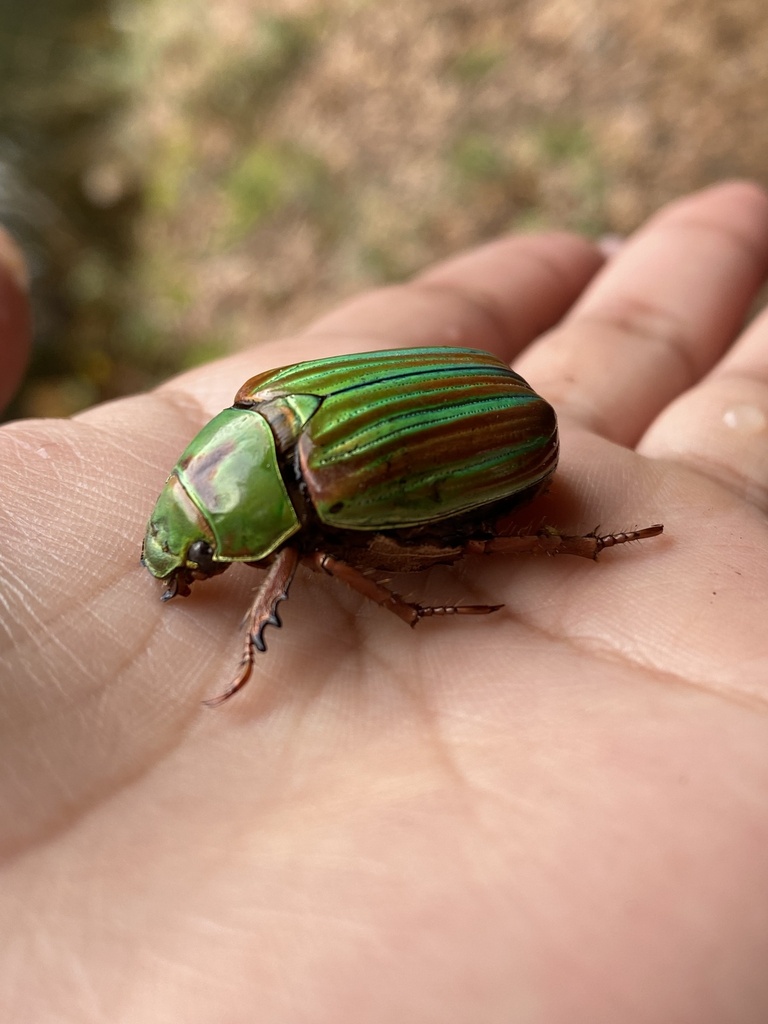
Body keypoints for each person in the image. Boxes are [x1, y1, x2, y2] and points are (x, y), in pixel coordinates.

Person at [2, 182, 767, 1021]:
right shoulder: (264, 395)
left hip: (503, 445)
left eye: (204, 551)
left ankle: (578, 545)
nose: (198, 571)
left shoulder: (307, 513)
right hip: (467, 392)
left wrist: (272, 636)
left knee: (447, 546)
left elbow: (295, 564)